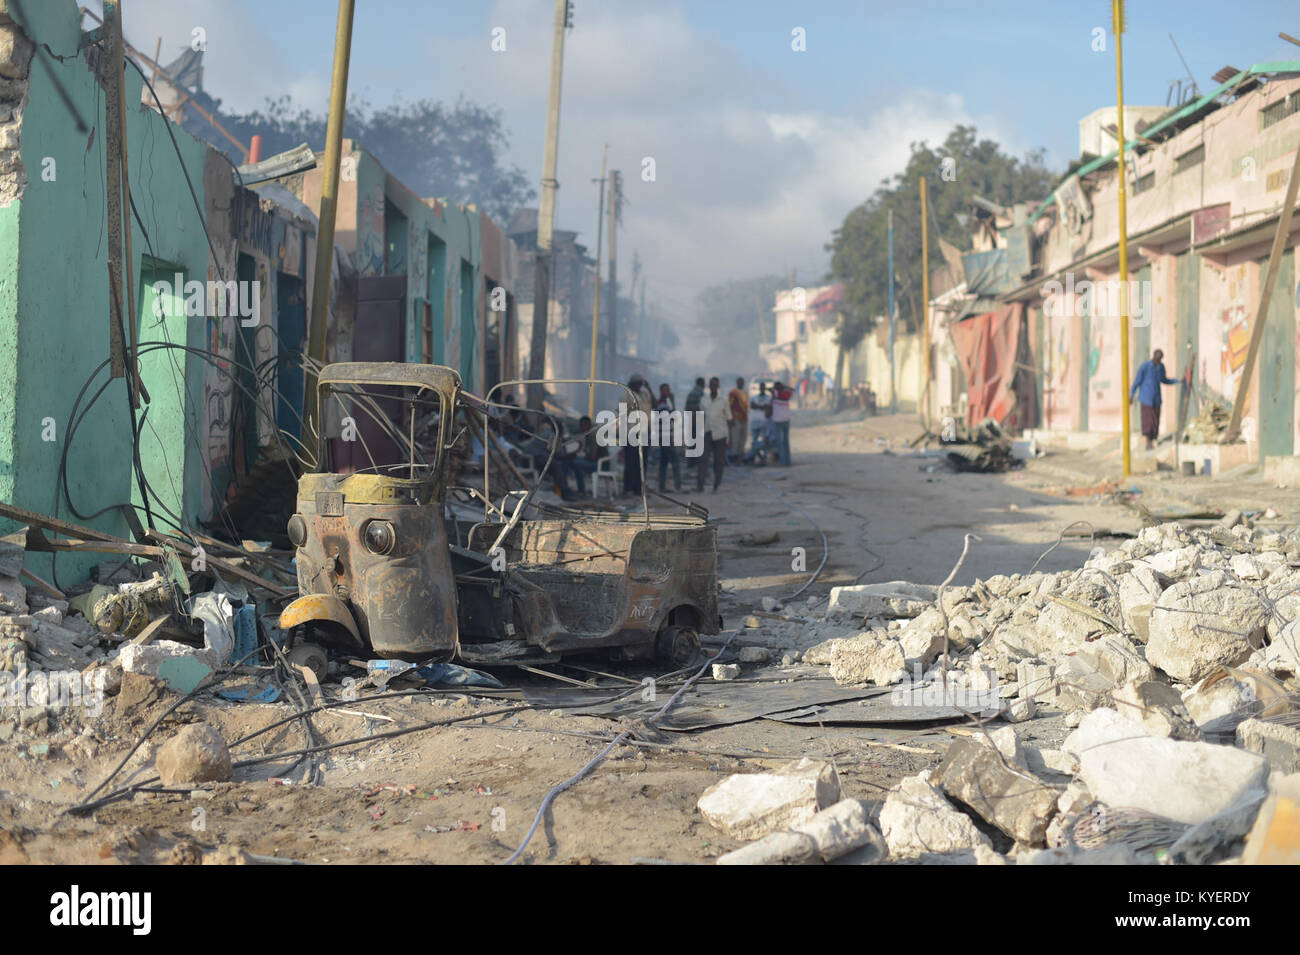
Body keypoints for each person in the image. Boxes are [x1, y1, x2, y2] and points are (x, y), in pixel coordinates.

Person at [1129, 348, 1177, 450]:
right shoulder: (1145, 367)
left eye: (1160, 358)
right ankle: (1148, 441)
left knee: (1155, 420)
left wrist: (1176, 381)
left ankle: (1154, 439)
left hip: (1156, 398)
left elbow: (1164, 380)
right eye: (1157, 357)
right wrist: (1131, 395)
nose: (1158, 360)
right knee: (1147, 420)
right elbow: (1137, 382)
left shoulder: (1161, 367)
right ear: (1153, 356)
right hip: (1146, 398)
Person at [623, 374, 654, 497]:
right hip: (632, 432)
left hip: (645, 432)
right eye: (638, 383)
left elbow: (654, 403)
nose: (639, 386)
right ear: (632, 383)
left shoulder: (645, 394)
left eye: (641, 383)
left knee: (642, 463)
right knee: (631, 462)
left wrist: (649, 387)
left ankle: (638, 488)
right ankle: (627, 488)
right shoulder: (626, 396)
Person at [699, 376, 730, 492]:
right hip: (707, 432)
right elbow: (700, 417)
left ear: (718, 386)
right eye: (711, 384)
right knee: (703, 459)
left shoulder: (723, 400)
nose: (713, 387)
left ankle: (716, 484)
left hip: (720, 434)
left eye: (715, 385)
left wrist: (729, 439)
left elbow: (729, 419)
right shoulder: (704, 400)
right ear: (709, 386)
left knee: (719, 461)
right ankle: (700, 484)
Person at [654, 383, 681, 492]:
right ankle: (678, 486)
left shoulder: (664, 404)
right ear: (661, 391)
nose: (668, 392)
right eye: (666, 390)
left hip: (665, 436)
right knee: (675, 461)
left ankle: (662, 486)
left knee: (664, 463)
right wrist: (673, 402)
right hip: (665, 437)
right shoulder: (661, 405)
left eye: (669, 390)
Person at [569, 414, 606, 496]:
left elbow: (592, 457)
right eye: (581, 425)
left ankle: (581, 491)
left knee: (575, 463)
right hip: (595, 461)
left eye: (585, 425)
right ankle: (578, 490)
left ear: (589, 425)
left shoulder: (593, 435)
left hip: (600, 464)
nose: (583, 428)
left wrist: (581, 456)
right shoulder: (587, 435)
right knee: (571, 461)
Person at [770, 380, 793, 466]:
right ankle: (788, 462)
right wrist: (784, 387)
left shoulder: (775, 394)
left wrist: (777, 387)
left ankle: (782, 462)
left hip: (778, 420)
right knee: (786, 442)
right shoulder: (787, 394)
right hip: (786, 420)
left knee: (780, 443)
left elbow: (771, 390)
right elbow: (791, 389)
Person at [727, 377, 749, 463]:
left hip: (744, 418)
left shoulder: (745, 393)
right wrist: (731, 418)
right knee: (735, 439)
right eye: (739, 382)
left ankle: (740, 456)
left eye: (742, 382)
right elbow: (730, 406)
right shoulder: (733, 393)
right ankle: (734, 457)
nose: (741, 384)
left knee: (743, 438)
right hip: (736, 418)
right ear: (737, 383)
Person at [749, 382, 772, 457]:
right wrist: (763, 406)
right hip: (755, 421)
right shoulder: (754, 397)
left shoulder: (768, 398)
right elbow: (752, 405)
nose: (762, 389)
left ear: (764, 388)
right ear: (759, 388)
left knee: (765, 440)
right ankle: (755, 456)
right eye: (761, 387)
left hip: (764, 422)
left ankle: (764, 456)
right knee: (754, 440)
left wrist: (758, 406)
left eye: (763, 387)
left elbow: (769, 407)